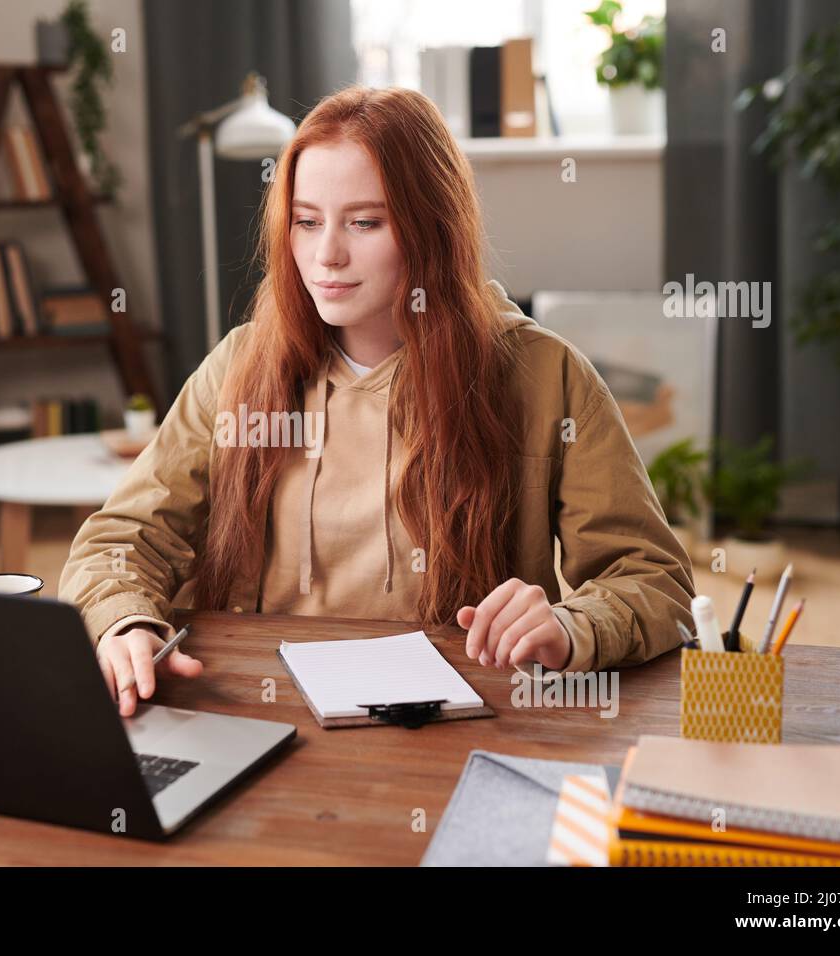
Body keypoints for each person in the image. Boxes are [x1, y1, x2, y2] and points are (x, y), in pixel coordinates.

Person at [60, 85, 695, 716]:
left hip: (453, 721)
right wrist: (124, 624)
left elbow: (653, 580)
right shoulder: (239, 365)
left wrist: (570, 625)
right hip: (258, 709)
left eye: (364, 222)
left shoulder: (544, 376)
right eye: (307, 221)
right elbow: (123, 538)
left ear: (431, 227)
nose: (325, 255)